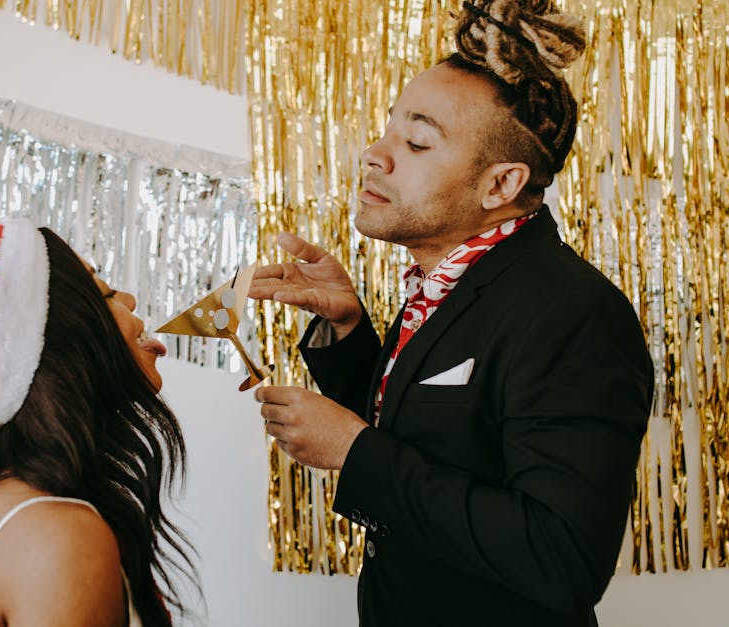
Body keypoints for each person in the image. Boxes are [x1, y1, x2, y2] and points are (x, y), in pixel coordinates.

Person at [249, 1, 653, 625]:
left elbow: (561, 557)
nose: (375, 154)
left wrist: (356, 456)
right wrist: (351, 328)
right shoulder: (451, 283)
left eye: (416, 142)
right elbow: (433, 436)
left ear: (500, 185)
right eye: (388, 129)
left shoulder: (575, 313)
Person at [0, 218, 194, 627]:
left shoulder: (19, 507)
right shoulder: (59, 535)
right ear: (67, 342)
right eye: (106, 293)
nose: (129, 299)